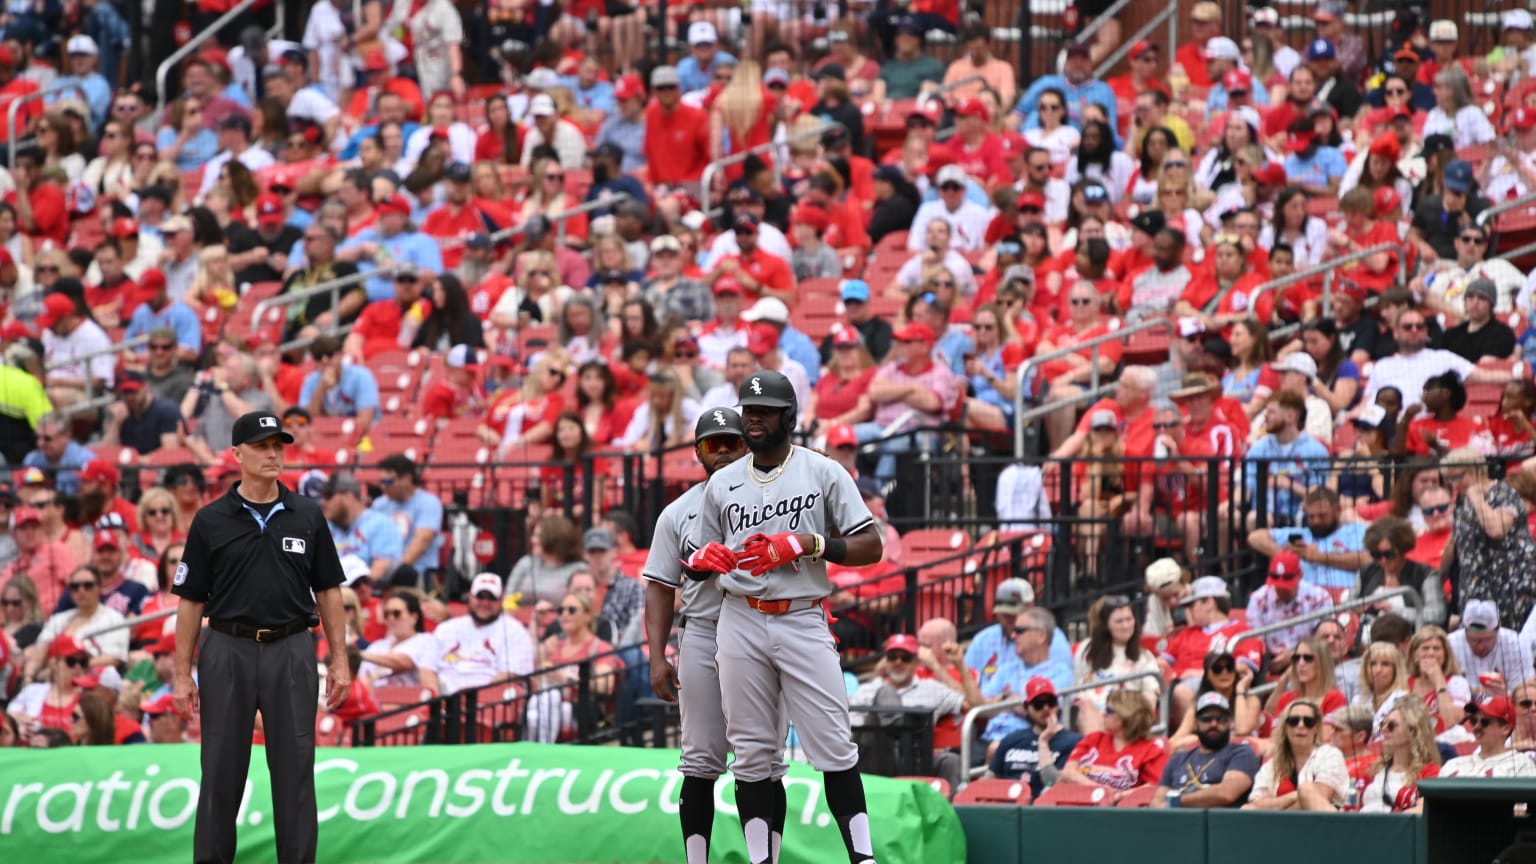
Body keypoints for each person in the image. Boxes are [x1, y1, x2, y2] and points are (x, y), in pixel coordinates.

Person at [685, 369, 883, 864]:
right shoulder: (723, 482)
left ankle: (863, 858)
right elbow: (698, 559)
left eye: (765, 411)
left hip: (801, 614)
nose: (754, 420)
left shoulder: (822, 470)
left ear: (788, 416)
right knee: (751, 752)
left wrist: (810, 543)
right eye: (750, 411)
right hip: (739, 617)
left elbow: (870, 545)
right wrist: (701, 560)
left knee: (834, 744)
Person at [170, 411, 349, 864]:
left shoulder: (307, 515)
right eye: (262, 446)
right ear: (237, 454)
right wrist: (181, 673)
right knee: (219, 773)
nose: (273, 454)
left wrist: (340, 660)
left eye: (278, 446)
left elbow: (329, 590)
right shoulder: (210, 520)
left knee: (296, 772)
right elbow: (190, 600)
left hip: (291, 647)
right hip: (226, 647)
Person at [643, 408, 786, 864]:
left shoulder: (776, 497)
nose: (722, 451)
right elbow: (659, 586)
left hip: (763, 627)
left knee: (764, 760)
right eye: (712, 444)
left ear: (748, 444)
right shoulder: (677, 512)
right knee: (700, 761)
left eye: (732, 442)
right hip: (704, 631)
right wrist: (657, 656)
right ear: (698, 452)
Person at [1152, 693, 1260, 809]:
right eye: (1206, 719)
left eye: (1221, 719)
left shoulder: (1242, 753)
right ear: (1196, 723)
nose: (1214, 724)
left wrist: (1175, 802)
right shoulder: (1178, 759)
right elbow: (1157, 801)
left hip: (1219, 819)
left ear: (1230, 722)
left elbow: (1227, 793)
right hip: (1178, 819)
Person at [432, 572, 535, 694]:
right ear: (470, 597)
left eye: (491, 598)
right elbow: (427, 668)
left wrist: (476, 698)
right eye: (480, 596)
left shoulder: (514, 630)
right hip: (443, 697)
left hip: (488, 699)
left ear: (501, 600)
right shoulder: (446, 628)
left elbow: (511, 674)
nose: (485, 603)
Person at [1059, 689, 1169, 799]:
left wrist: (1119, 796)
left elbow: (1157, 787)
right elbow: (1068, 772)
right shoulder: (1093, 739)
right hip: (1081, 801)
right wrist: (1098, 790)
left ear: (1126, 715)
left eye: (1109, 710)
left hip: (1121, 807)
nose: (1103, 714)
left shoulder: (1151, 750)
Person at [984, 677, 1083, 799]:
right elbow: (989, 779)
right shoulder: (1012, 739)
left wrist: (1043, 742)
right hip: (1006, 802)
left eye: (1051, 702)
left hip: (1043, 804)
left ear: (1057, 705)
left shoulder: (1073, 742)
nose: (1046, 708)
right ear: (1026, 708)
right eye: (1038, 704)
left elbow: (1054, 784)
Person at [1245, 699, 1350, 810]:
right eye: (1293, 721)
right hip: (1281, 819)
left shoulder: (1329, 754)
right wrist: (1294, 796)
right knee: (1247, 808)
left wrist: (1279, 810)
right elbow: (1255, 803)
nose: (1301, 725)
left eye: (1308, 722)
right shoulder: (1272, 765)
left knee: (1307, 790)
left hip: (1324, 819)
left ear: (1316, 728)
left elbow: (1318, 798)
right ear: (1285, 728)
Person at [1347, 517, 1445, 628]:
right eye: (1377, 555)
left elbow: (1437, 614)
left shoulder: (1425, 574)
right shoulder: (1366, 571)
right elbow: (1348, 605)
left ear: (1402, 549)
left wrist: (1392, 610)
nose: (1383, 561)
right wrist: (1360, 608)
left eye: (1389, 554)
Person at [1245, 551, 1335, 669]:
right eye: (1277, 583)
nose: (1282, 589)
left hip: (1311, 660)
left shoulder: (1319, 597)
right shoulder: (1258, 599)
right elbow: (1255, 642)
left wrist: (1294, 655)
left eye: (1287, 583)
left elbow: (1325, 640)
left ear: (1300, 575)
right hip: (1271, 662)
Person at [1359, 699, 1441, 813]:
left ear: (1413, 731)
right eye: (1383, 724)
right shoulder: (1372, 769)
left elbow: (1424, 810)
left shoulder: (1429, 772)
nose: (1384, 729)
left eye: (1391, 725)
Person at [1451, 598, 1533, 699]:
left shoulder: (1516, 644)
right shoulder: (1450, 644)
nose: (1481, 646)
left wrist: (1506, 695)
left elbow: (1526, 694)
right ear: (1465, 631)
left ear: (1498, 629)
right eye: (1474, 640)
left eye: (1487, 639)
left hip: (1505, 706)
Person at [1441, 697, 1536, 777]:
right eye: (1474, 721)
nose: (1477, 727)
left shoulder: (1521, 765)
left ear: (1505, 729)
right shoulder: (1453, 764)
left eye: (1485, 722)